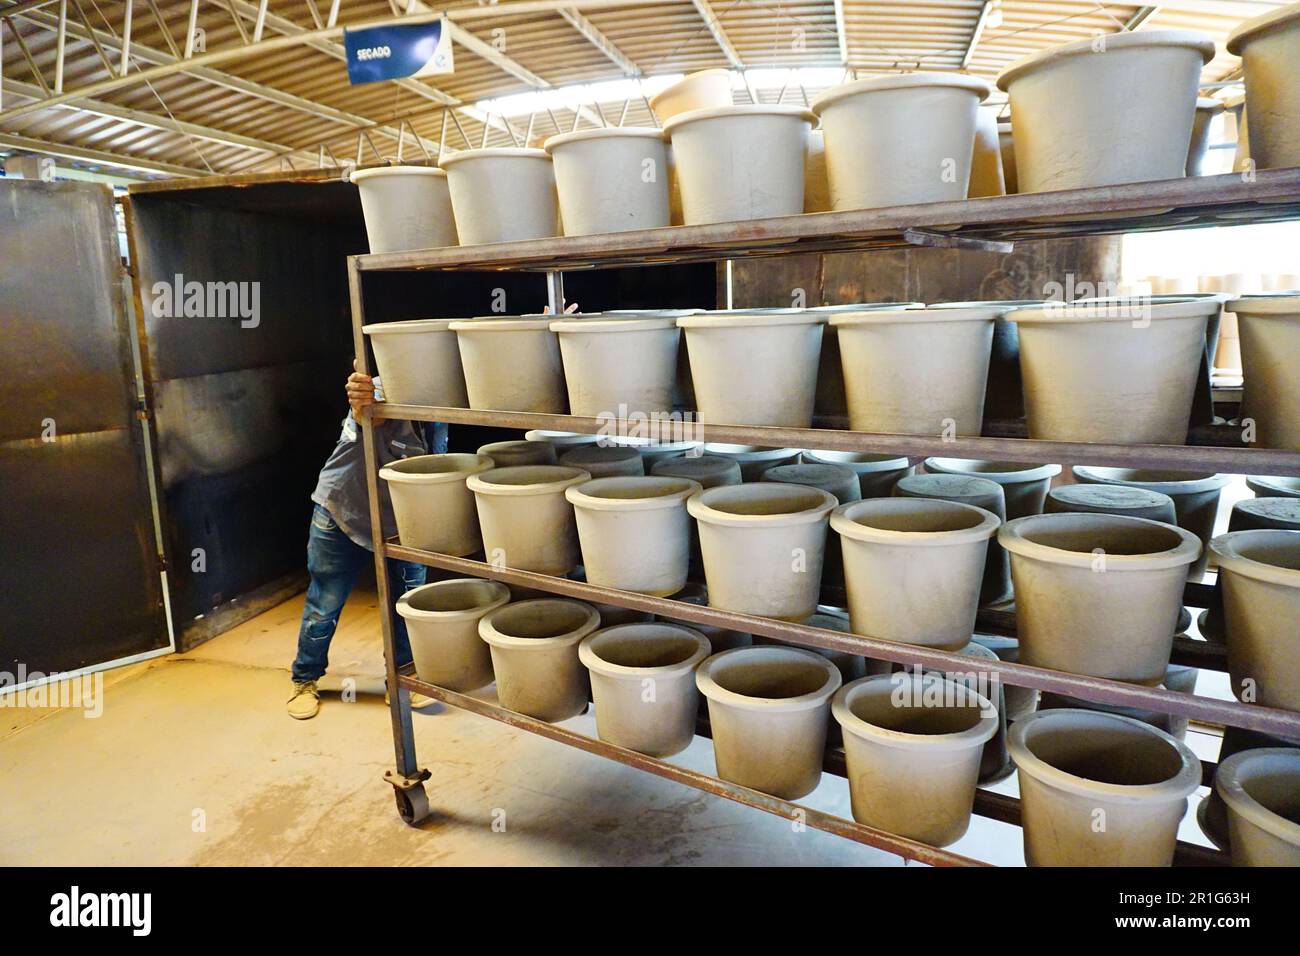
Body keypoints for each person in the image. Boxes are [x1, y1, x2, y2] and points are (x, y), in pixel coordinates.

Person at [287, 369, 447, 719]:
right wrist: (361, 398)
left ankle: (402, 679)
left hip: (401, 522)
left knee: (406, 604)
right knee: (324, 604)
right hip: (343, 512)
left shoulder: (441, 406)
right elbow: (364, 411)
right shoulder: (379, 392)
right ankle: (305, 680)